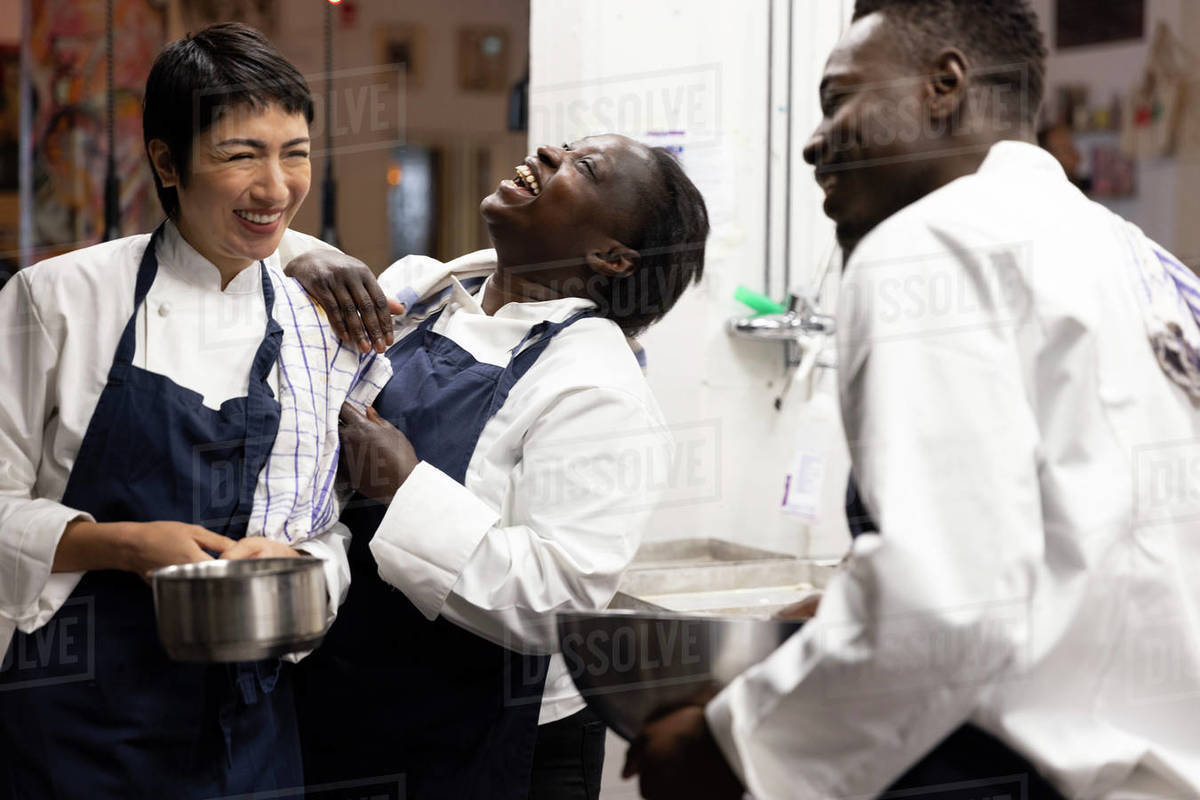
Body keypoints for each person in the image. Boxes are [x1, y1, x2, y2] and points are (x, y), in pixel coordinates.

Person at [626, 1, 1200, 799]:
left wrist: (727, 745)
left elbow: (949, 606)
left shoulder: (926, 244)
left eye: (839, 101)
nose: (812, 140)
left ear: (945, 84)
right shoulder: (1150, 268)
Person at [0, 24, 387, 798]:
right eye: (241, 153)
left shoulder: (321, 323)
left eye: (296, 152)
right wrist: (124, 545)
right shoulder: (59, 300)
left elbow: (328, 524)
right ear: (167, 162)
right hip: (79, 716)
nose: (275, 187)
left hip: (251, 727)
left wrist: (300, 567)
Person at [287, 133, 709, 800]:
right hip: (353, 695)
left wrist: (404, 490)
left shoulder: (597, 389)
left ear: (612, 256)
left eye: (584, 168)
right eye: (564, 147)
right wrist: (303, 274)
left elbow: (559, 602)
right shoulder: (418, 293)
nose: (546, 154)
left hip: (487, 739)